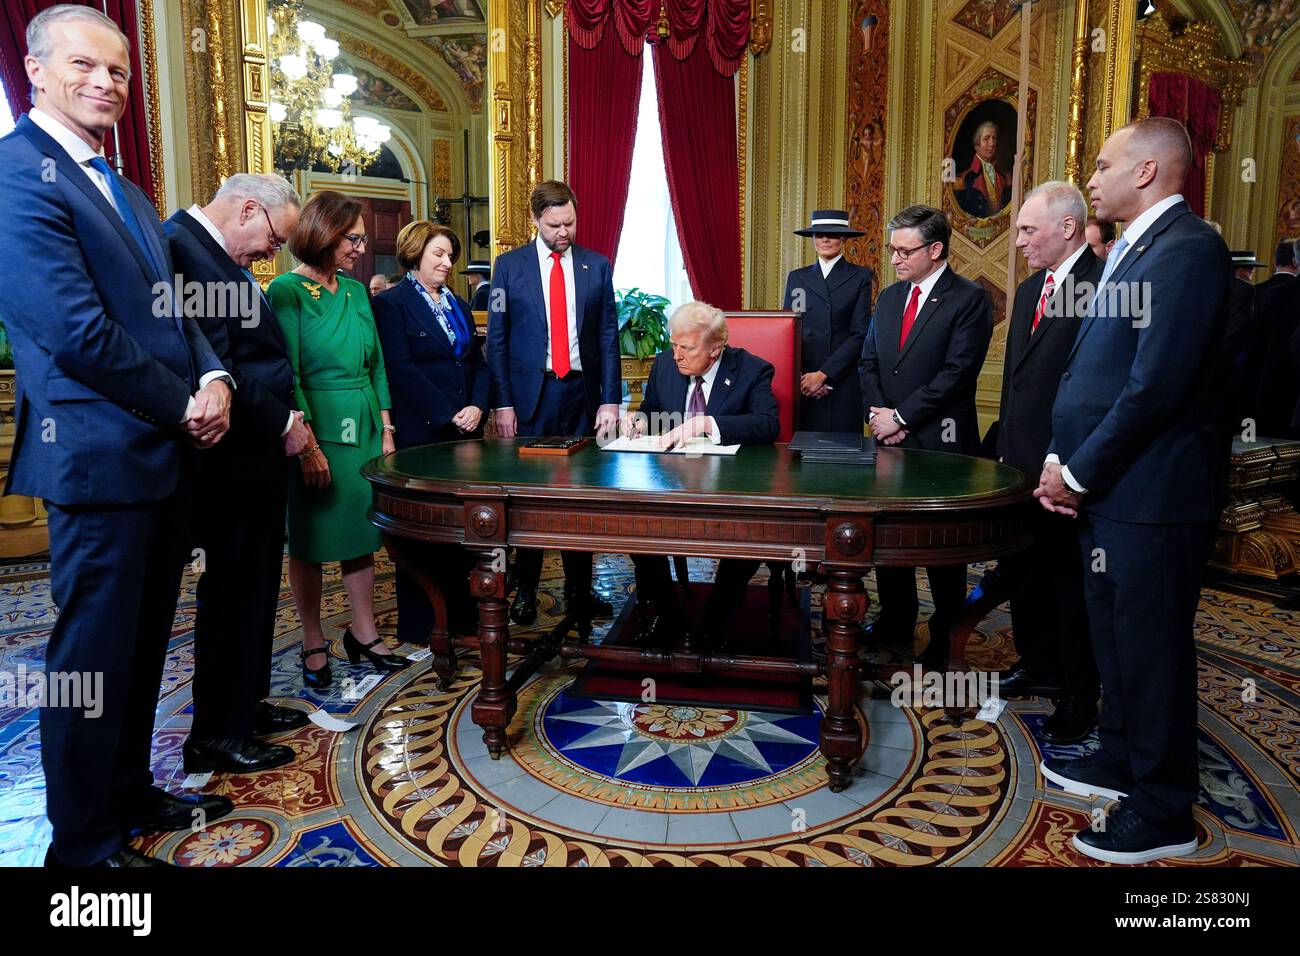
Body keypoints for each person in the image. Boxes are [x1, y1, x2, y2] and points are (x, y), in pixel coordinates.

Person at [0, 4, 234, 866]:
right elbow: (74, 331)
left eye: (119, 73)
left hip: (164, 455)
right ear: (35, 68)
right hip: (96, 456)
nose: (104, 82)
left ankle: (128, 791)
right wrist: (185, 404)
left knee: (142, 647)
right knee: (89, 661)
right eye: (84, 65)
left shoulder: (126, 186)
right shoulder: (14, 174)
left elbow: (177, 306)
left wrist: (211, 375)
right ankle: (84, 842)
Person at [1036, 116, 1231, 864]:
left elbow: (1156, 386)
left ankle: (1162, 810)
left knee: (1151, 653)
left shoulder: (1188, 251)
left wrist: (1077, 473)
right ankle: (1119, 755)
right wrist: (1063, 458)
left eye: (1104, 163)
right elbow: (1093, 374)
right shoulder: (1127, 250)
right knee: (1116, 641)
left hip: (1154, 497)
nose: (1091, 177)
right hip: (1110, 489)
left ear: (1147, 172)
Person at [165, 173, 310, 775]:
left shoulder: (215, 255)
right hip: (232, 460)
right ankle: (217, 732)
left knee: (252, 591)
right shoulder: (184, 249)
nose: (271, 254)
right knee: (230, 594)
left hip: (254, 458)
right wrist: (283, 424)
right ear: (249, 209)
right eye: (274, 240)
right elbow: (218, 368)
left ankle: (243, 706)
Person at [268, 190, 409, 689]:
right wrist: (306, 443)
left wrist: (387, 429)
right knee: (309, 541)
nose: (360, 247)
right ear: (324, 234)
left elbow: (376, 365)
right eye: (352, 238)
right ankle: (312, 639)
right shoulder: (284, 291)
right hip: (317, 427)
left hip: (365, 425)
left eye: (362, 238)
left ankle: (364, 633)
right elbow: (289, 373)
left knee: (360, 536)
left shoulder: (355, 291)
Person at [858, 205, 993, 668]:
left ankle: (945, 635)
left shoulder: (969, 299)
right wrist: (879, 416)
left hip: (941, 443)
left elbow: (958, 373)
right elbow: (869, 361)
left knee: (941, 545)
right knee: (891, 535)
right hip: (887, 438)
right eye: (892, 249)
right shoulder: (891, 297)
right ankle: (897, 617)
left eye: (904, 250)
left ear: (935, 250)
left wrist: (902, 417)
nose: (895, 259)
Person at [993, 181, 1104, 744]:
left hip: (1067, 471)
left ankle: (1075, 691)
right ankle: (1037, 662)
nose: (1018, 242)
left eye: (1027, 230)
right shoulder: (1035, 285)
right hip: (1022, 465)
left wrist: (1069, 464)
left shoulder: (1103, 286)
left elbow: (1095, 388)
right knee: (1026, 574)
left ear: (1066, 228)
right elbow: (1019, 382)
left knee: (1070, 584)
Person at [486, 180, 621, 625]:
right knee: (528, 500)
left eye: (571, 222)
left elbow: (607, 335)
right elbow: (498, 341)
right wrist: (502, 403)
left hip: (581, 395)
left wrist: (610, 401)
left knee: (579, 500)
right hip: (532, 396)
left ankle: (580, 591)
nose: (564, 231)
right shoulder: (508, 267)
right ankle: (524, 590)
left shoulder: (597, 266)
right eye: (555, 224)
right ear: (535, 220)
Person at [624, 302, 780, 645]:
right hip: (671, 479)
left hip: (733, 483)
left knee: (750, 528)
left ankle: (719, 611)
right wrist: (637, 419)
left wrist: (707, 423)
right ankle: (667, 611)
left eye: (687, 348)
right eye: (673, 344)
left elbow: (768, 424)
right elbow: (652, 411)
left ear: (715, 349)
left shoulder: (752, 369)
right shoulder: (665, 365)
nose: (676, 354)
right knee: (634, 522)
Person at [372, 221, 488, 644]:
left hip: (465, 435)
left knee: (462, 532)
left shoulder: (457, 302)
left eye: (450, 256)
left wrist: (477, 406)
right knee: (423, 534)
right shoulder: (392, 304)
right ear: (415, 254)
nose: (447, 262)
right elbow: (400, 371)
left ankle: (460, 618)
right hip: (424, 435)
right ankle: (424, 627)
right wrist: (449, 413)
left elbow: (475, 363)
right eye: (438, 254)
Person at [783, 210, 872, 432]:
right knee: (801, 458)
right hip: (803, 383)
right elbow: (789, 330)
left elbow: (860, 333)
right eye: (819, 234)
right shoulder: (797, 277)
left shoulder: (860, 276)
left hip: (842, 381)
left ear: (843, 239)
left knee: (842, 455)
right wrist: (803, 378)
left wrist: (824, 375)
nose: (824, 239)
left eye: (832, 235)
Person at [957, 120, 1011, 217]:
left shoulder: (1003, 176)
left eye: (994, 138)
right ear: (977, 144)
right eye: (986, 139)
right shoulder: (965, 178)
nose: (992, 143)